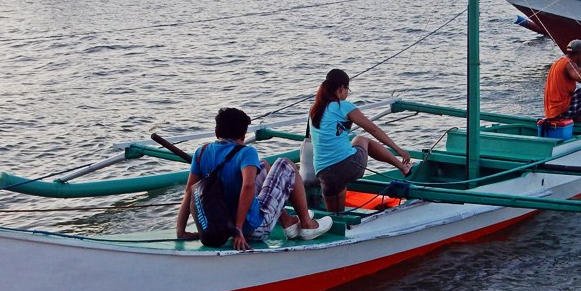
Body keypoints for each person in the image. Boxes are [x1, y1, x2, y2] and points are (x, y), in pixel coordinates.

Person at [175, 107, 331, 250]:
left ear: (217, 133)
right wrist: (239, 229)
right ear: (243, 135)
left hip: (222, 226)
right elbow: (248, 186)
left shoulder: (201, 152)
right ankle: (307, 224)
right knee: (285, 164)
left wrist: (181, 231)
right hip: (253, 229)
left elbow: (190, 190)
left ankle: (288, 221)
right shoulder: (246, 152)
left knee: (262, 166)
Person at [309, 68, 412, 213]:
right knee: (361, 138)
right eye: (347, 89)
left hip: (324, 173)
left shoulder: (315, 109)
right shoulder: (343, 106)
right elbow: (373, 130)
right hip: (348, 166)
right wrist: (398, 150)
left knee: (336, 215)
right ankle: (403, 168)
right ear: (341, 88)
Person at [543, 39, 581, 123]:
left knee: (580, 91)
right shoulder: (569, 64)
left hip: (551, 111)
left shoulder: (559, 62)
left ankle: (576, 117)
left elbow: (580, 73)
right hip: (560, 111)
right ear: (579, 54)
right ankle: (576, 116)